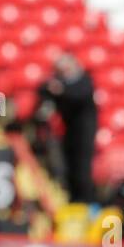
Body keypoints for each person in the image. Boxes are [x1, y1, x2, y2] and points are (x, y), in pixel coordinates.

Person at [36, 53, 98, 203]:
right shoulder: (59, 83)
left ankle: (86, 201)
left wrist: (61, 90)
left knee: (82, 168)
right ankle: (73, 199)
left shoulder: (84, 81)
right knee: (68, 167)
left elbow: (79, 95)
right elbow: (43, 89)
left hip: (84, 133)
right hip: (68, 132)